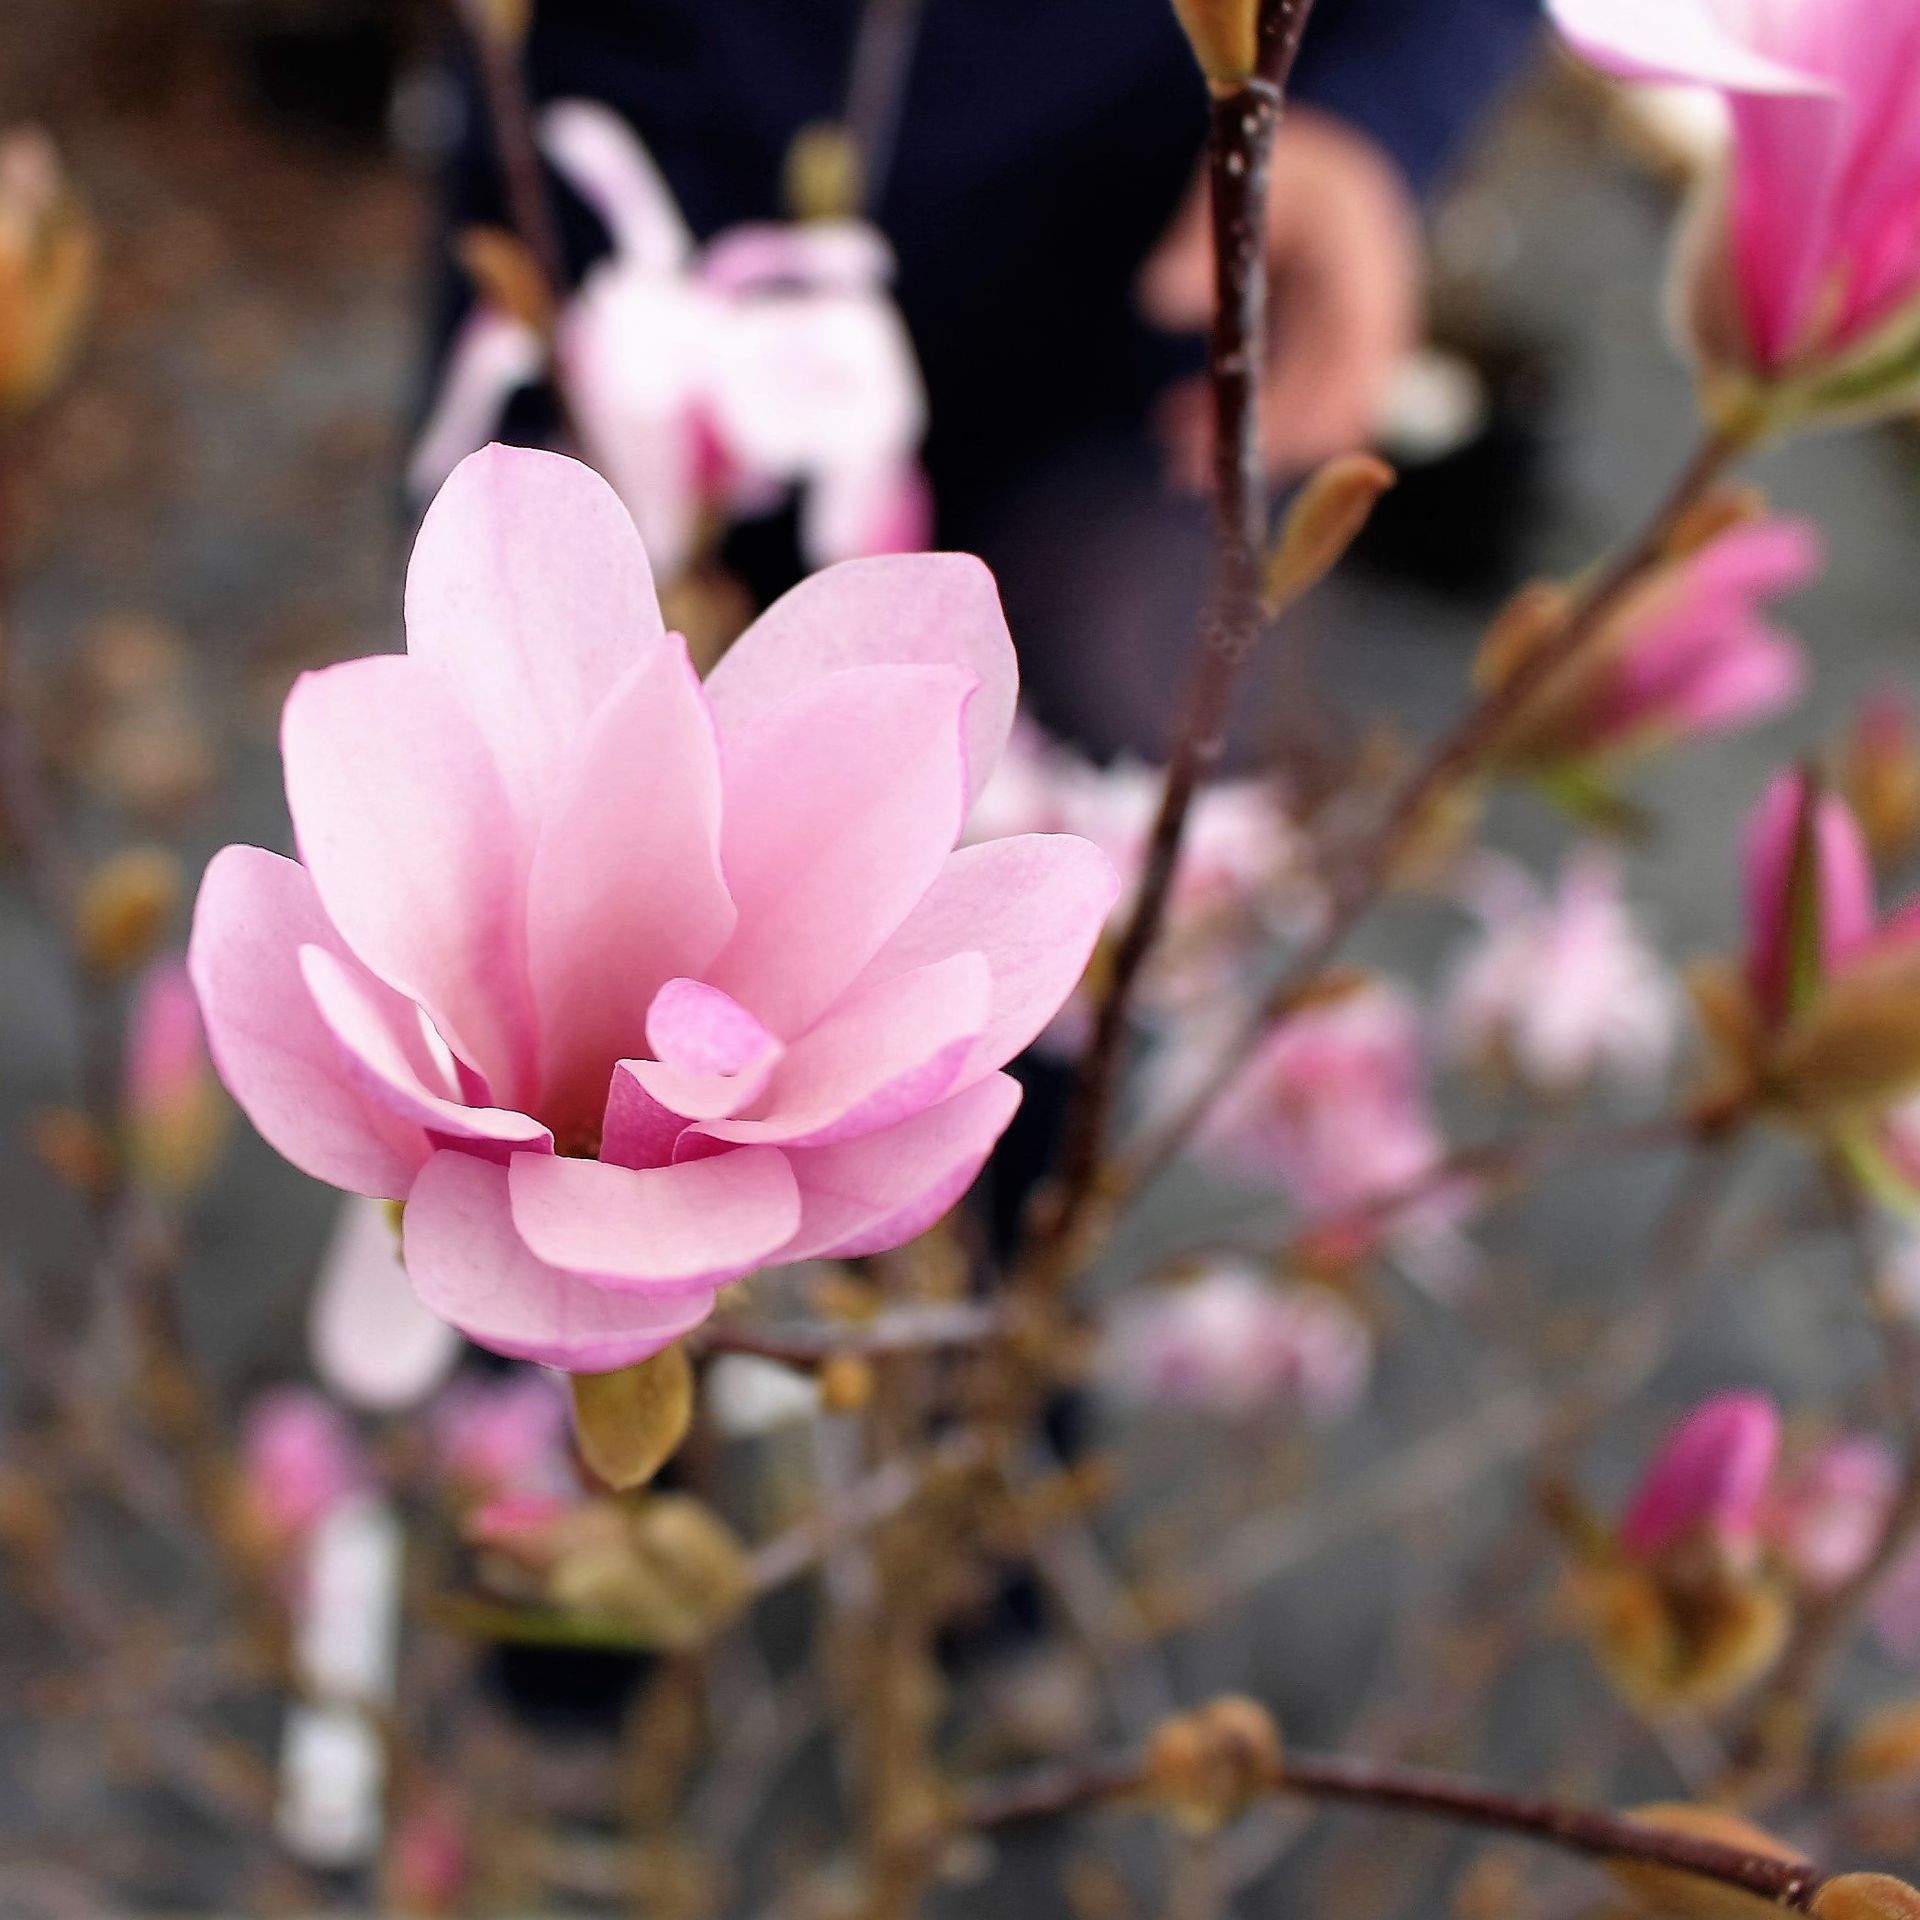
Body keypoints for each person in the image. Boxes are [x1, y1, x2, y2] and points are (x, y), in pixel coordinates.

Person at [439, 0, 1541, 757]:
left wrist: (1385, 106)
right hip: (626, 209)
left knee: (1049, 819)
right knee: (558, 755)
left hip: (1138, 249)